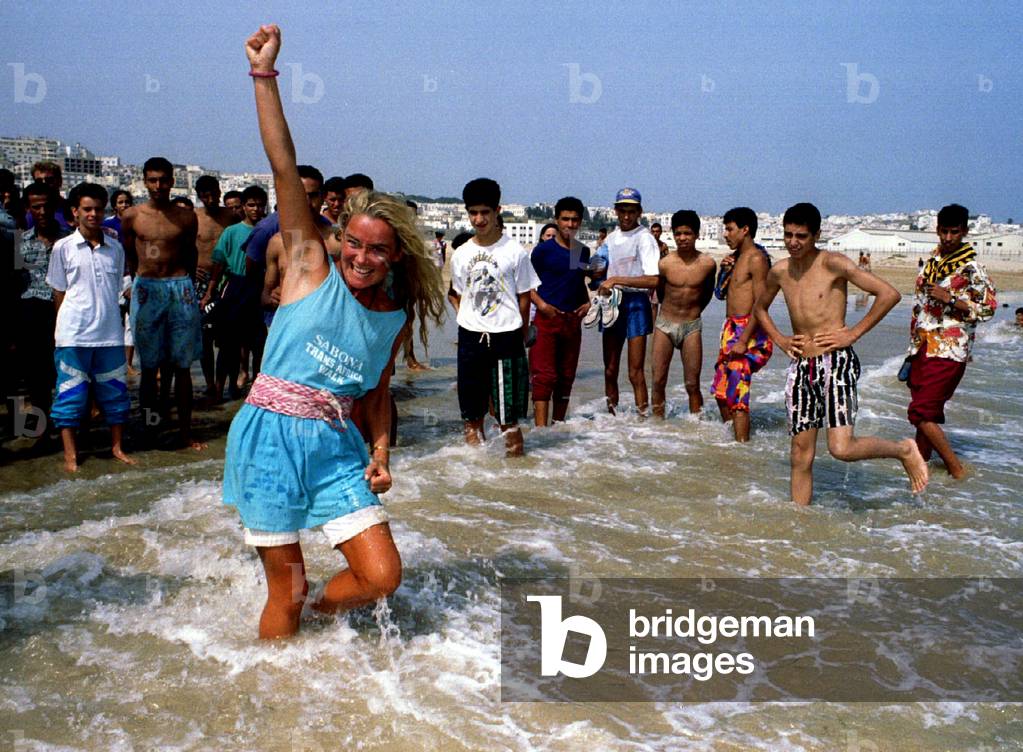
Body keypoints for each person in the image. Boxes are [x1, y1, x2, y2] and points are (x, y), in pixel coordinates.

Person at [226, 25, 444, 639]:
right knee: (285, 594)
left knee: (381, 575)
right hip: (269, 435)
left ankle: (321, 623)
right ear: (339, 239)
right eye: (353, 243)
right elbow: (283, 165)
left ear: (397, 255)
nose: (361, 258)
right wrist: (264, 76)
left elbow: (375, 391)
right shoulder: (307, 267)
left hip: (337, 448)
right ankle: (274, 693)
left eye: (377, 250)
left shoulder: (393, 317)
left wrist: (380, 451)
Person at [752, 202, 928, 505]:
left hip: (835, 363)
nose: (793, 242)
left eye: (802, 236)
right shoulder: (780, 271)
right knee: (799, 453)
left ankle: (903, 450)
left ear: (817, 235)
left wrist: (853, 332)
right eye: (788, 235)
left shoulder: (833, 263)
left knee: (841, 448)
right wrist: (780, 339)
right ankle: (800, 525)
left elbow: (888, 294)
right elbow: (759, 308)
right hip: (801, 367)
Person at [46, 183, 134, 472]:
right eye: (87, 209)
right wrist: (61, 330)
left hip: (110, 335)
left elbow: (119, 289)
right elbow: (59, 291)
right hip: (73, 335)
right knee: (70, 396)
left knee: (116, 395)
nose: (94, 214)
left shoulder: (116, 248)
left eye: (98, 209)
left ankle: (117, 447)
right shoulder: (63, 248)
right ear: (75, 212)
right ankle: (71, 455)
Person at [907, 203, 996, 479]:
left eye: (954, 232)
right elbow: (919, 304)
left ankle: (956, 470)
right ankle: (921, 467)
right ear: (937, 230)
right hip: (922, 344)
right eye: (943, 231)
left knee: (920, 412)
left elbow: (989, 309)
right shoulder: (932, 261)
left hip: (950, 348)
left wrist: (952, 299)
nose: (948, 238)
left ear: (964, 232)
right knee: (927, 411)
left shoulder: (971, 269)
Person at [450, 177, 539, 455]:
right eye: (473, 213)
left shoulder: (515, 252)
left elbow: (524, 295)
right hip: (470, 338)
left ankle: (514, 477)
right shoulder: (461, 254)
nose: (479, 219)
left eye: (485, 212)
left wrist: (523, 332)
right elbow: (459, 293)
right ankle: (478, 480)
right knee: (471, 417)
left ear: (497, 211)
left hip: (507, 338)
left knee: (508, 419)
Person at [122, 156, 205, 450]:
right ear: (144, 181)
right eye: (153, 180)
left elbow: (190, 254)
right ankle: (150, 429)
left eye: (164, 180)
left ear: (172, 181)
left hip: (179, 288)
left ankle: (184, 431)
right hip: (147, 289)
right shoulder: (132, 216)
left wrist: (187, 287)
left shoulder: (186, 216)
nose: (158, 186)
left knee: (182, 366)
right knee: (149, 367)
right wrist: (138, 281)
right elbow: (130, 254)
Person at [712, 207, 775, 441]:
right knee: (721, 391)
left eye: (729, 229)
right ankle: (732, 439)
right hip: (731, 329)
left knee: (737, 393)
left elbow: (761, 303)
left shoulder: (757, 259)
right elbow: (719, 295)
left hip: (749, 330)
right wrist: (724, 271)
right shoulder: (737, 258)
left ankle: (742, 445)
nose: (725, 235)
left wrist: (743, 338)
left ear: (745, 229)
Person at [596, 188, 660, 415]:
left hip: (636, 304)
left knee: (635, 372)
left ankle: (643, 419)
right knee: (610, 370)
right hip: (612, 303)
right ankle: (612, 421)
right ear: (615, 211)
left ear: (639, 212)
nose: (626, 216)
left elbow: (653, 280)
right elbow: (596, 268)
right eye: (622, 210)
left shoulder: (645, 239)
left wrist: (616, 279)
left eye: (631, 211)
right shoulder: (610, 239)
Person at [202, 184, 268, 402]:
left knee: (259, 343)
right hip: (235, 286)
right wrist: (210, 292)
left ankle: (257, 388)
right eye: (251, 205)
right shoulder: (231, 232)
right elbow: (219, 264)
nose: (256, 209)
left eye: (260, 205)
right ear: (244, 207)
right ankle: (220, 389)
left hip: (260, 288)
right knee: (228, 343)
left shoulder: (270, 230)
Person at [529, 197, 591, 426]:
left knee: (566, 378)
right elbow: (525, 285)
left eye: (575, 220)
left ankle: (558, 428)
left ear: (580, 222)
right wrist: (542, 306)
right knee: (544, 377)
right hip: (546, 320)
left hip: (571, 321)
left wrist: (588, 302)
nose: (570, 224)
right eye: (565, 219)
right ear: (557, 220)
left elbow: (576, 281)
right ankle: (540, 432)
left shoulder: (581, 251)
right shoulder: (544, 251)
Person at [16, 181, 71, 430]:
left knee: (66, 373)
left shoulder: (69, 240)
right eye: (36, 207)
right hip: (30, 315)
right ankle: (40, 429)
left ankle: (67, 427)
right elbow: (14, 282)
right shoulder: (19, 242)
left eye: (46, 207)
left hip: (65, 313)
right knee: (35, 377)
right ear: (28, 208)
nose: (42, 212)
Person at [651, 210, 716, 417]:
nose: (682, 238)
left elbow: (707, 293)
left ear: (696, 234)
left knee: (692, 384)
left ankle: (696, 428)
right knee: (658, 380)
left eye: (687, 233)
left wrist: (694, 311)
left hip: (691, 327)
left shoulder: (707, 264)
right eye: (678, 233)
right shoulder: (665, 263)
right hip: (665, 325)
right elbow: (661, 293)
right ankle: (657, 426)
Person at [194, 175, 241, 395]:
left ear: (220, 192)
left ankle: (227, 383)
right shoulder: (193, 218)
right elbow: (184, 246)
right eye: (205, 195)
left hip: (226, 282)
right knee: (204, 337)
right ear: (200, 196)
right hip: (200, 282)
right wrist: (190, 266)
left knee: (229, 337)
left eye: (213, 193)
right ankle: (210, 383)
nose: (210, 198)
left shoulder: (230, 217)